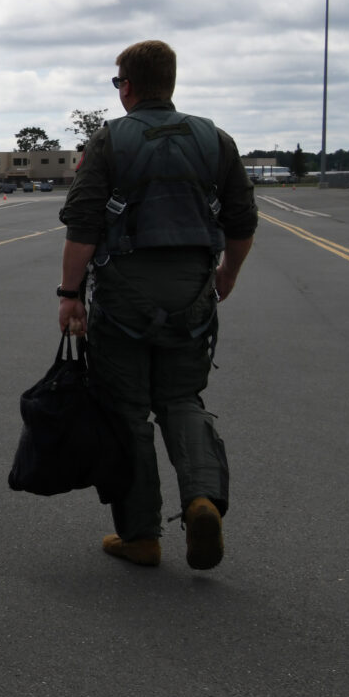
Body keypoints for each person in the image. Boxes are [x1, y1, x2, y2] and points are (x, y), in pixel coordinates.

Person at [57, 40, 256, 571]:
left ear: (128, 85)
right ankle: (202, 500)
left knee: (126, 410)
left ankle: (141, 535)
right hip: (192, 289)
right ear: (169, 82)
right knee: (182, 399)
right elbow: (241, 220)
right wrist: (227, 274)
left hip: (124, 293)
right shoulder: (214, 139)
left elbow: (83, 225)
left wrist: (70, 295)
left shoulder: (109, 140)